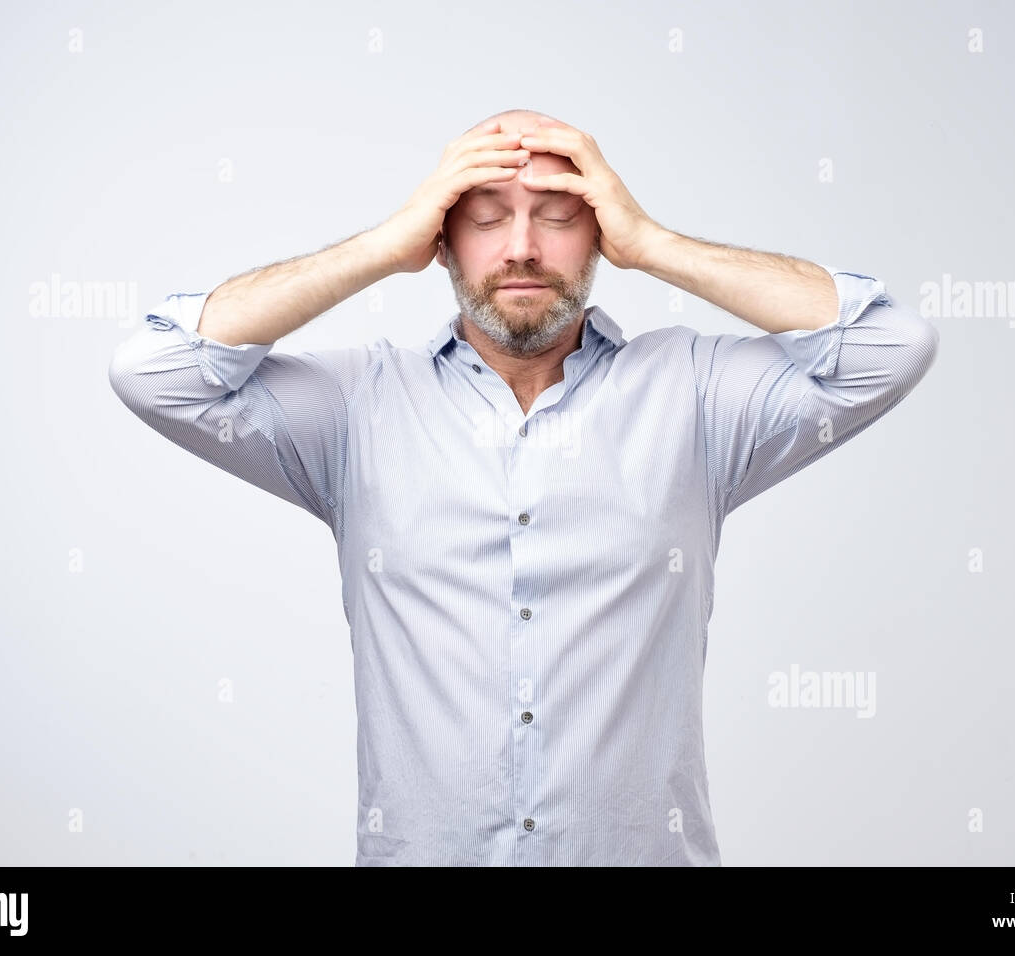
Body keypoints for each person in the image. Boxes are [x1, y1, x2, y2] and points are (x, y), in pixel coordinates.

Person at [108, 108, 940, 866]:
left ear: (601, 235)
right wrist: (380, 246)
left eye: (558, 217)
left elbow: (889, 345)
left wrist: (655, 242)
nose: (520, 249)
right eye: (483, 219)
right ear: (441, 240)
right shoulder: (357, 408)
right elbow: (154, 371)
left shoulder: (692, 392)